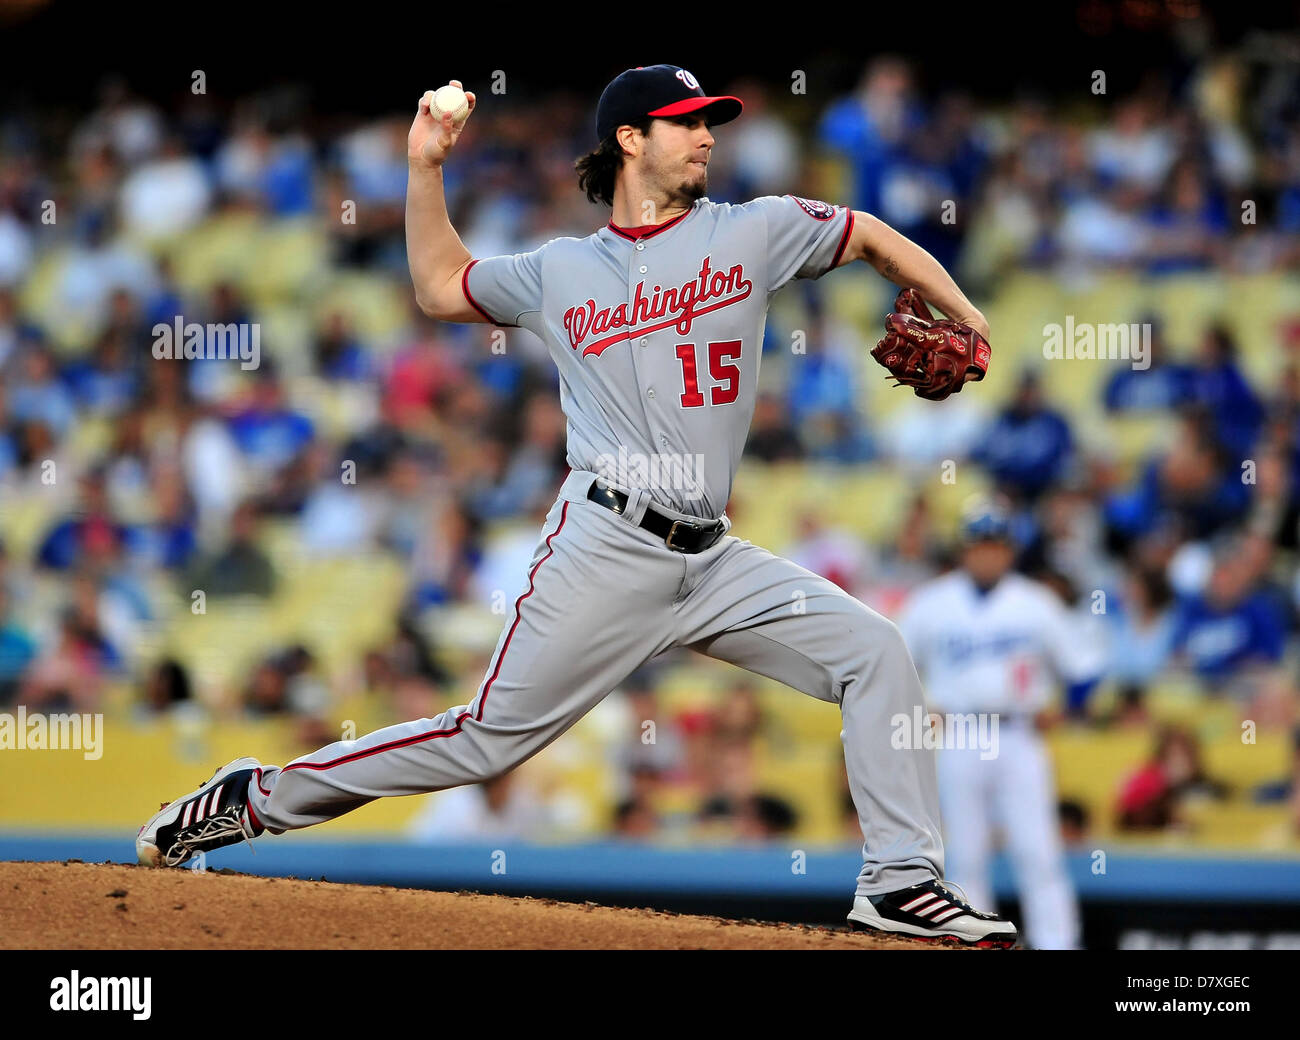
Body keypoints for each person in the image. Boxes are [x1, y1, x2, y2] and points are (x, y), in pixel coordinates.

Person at [137, 66, 1015, 947]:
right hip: (605, 544)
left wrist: (967, 316)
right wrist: (424, 168)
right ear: (631, 139)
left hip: (712, 559)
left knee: (874, 651)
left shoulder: (756, 231)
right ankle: (257, 798)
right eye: (685, 123)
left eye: (710, 122)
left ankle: (900, 880)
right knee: (483, 742)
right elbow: (441, 287)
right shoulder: (560, 269)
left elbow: (869, 236)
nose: (707, 136)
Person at [898, 496, 1104, 949]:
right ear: (964, 549)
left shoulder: (1035, 602)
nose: (987, 552)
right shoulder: (931, 602)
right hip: (960, 734)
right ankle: (974, 944)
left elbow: (1084, 668)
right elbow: (894, 667)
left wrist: (1067, 707)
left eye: (995, 543)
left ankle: (1058, 944)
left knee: (1039, 853)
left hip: (1017, 733)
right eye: (979, 543)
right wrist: (919, 711)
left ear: (1009, 550)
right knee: (965, 857)